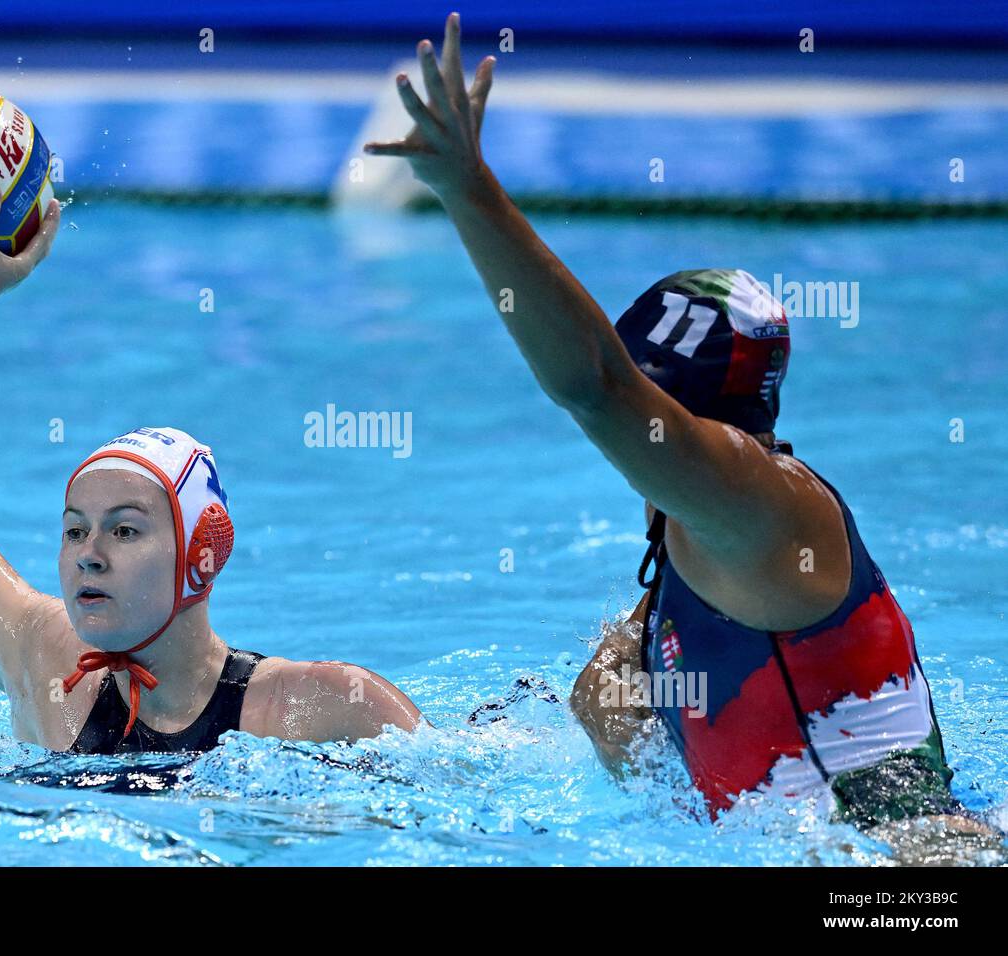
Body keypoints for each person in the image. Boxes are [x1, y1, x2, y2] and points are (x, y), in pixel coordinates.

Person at [367, 13, 1000, 854]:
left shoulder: (772, 507)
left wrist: (468, 192)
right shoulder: (666, 608)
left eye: (648, 404)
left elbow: (592, 386)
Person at [0, 187, 421, 755]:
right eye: (74, 529)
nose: (89, 552)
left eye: (124, 529)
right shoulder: (44, 663)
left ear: (202, 552)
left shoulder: (323, 707)